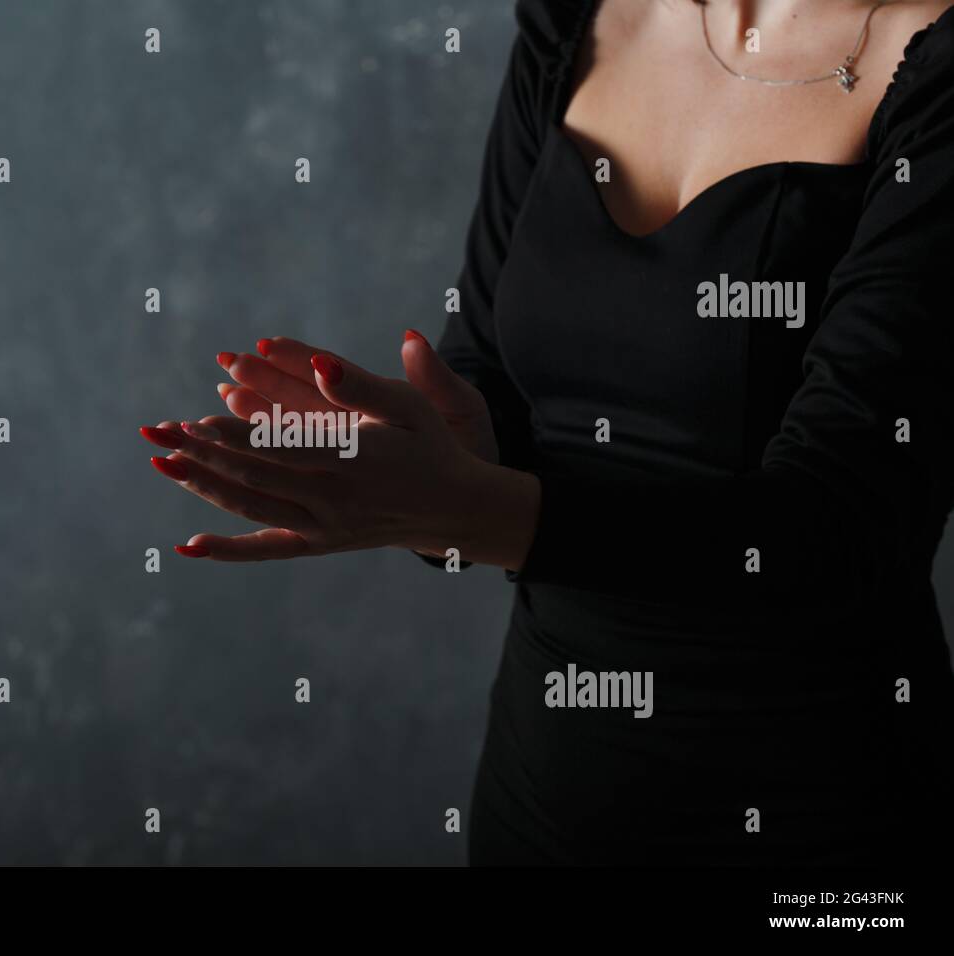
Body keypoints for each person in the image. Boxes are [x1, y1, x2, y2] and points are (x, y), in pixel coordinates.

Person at [141, 0, 954, 865]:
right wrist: (421, 457)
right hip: (542, 800)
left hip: (822, 828)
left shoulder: (935, 67)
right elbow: (484, 371)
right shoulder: (574, 19)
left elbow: (839, 530)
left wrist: (474, 514)